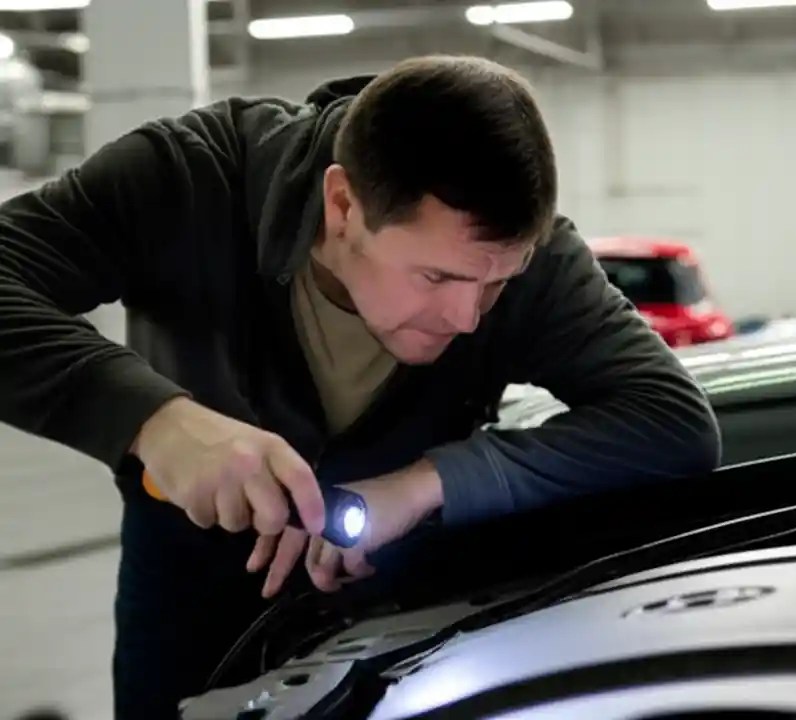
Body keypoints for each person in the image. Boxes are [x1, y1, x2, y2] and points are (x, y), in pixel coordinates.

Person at [0, 55, 720, 718]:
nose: (468, 319)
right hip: (187, 591)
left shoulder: (535, 261)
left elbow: (670, 420)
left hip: (397, 594)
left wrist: (424, 484)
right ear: (342, 204)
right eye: (436, 278)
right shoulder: (192, 181)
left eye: (496, 283)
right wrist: (155, 420)